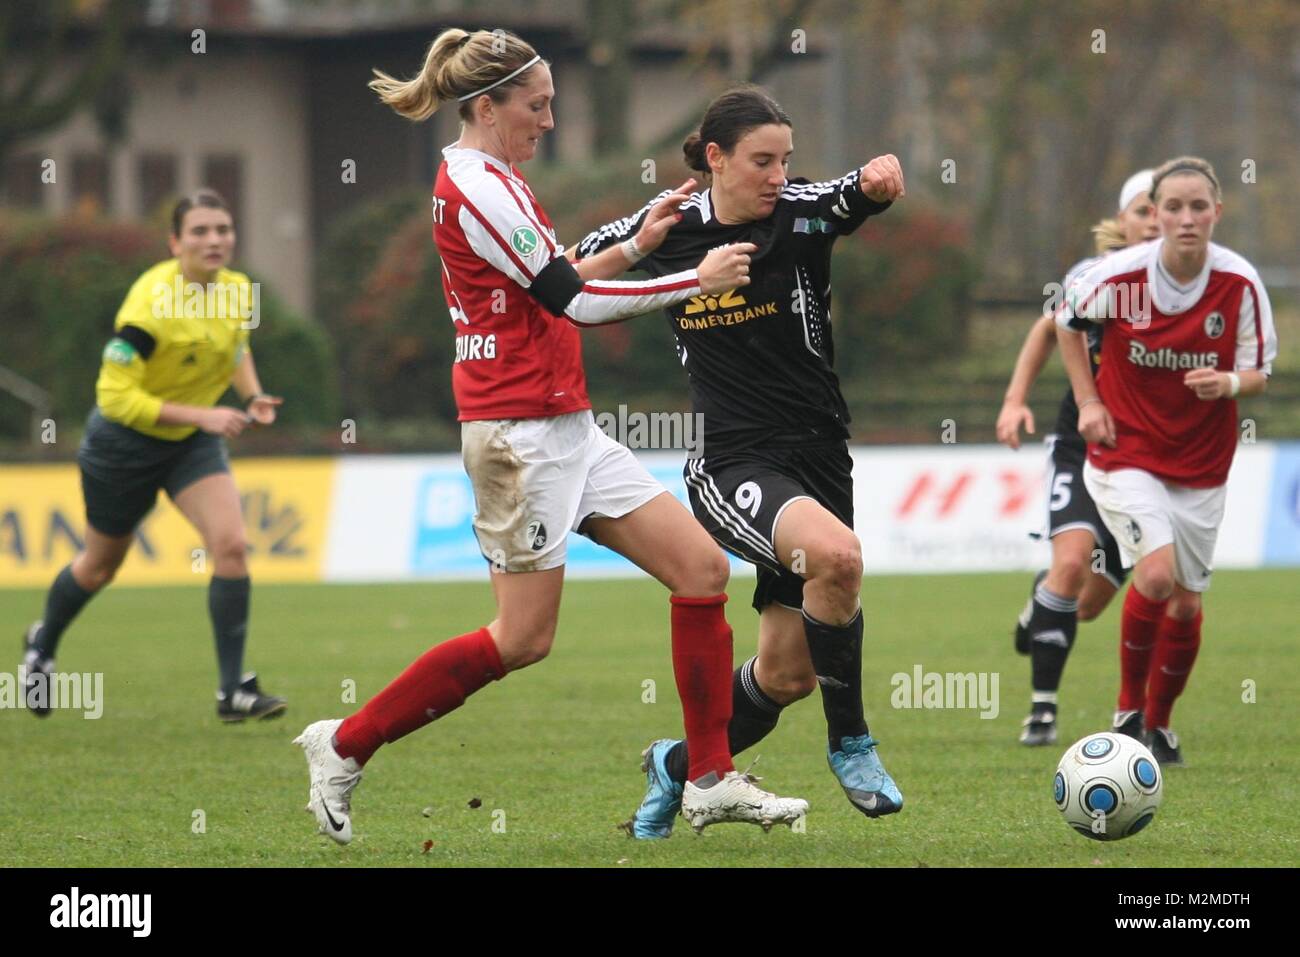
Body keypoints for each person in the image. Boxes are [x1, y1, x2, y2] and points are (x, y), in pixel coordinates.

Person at [294, 29, 808, 844]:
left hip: (563, 423)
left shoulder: (494, 175)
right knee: (524, 638)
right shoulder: (477, 188)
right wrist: (688, 278)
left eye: (552, 105)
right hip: (516, 439)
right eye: (537, 107)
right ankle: (345, 743)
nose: (549, 121)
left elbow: (550, 280)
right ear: (488, 106)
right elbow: (571, 301)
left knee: (702, 568)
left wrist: (639, 243)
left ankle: (708, 777)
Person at [574, 86, 906, 838]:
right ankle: (851, 741)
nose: (777, 175)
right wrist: (638, 249)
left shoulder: (799, 212)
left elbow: (854, 190)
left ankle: (676, 763)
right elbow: (563, 276)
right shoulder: (670, 224)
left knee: (784, 675)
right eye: (762, 160)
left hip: (821, 458)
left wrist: (881, 178)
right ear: (715, 158)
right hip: (735, 463)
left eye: (786, 159)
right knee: (839, 556)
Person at [20, 188, 287, 723]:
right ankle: (41, 646)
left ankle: (231, 690)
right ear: (174, 242)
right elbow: (114, 397)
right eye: (200, 232)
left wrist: (250, 394)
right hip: (123, 446)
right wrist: (202, 416)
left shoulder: (237, 290)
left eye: (223, 229)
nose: (214, 241)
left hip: (191, 445)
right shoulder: (149, 305)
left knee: (232, 546)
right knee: (99, 567)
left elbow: (235, 348)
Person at [1055, 156, 1277, 766]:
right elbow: (1065, 321)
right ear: (1153, 215)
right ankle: (1128, 713)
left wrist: (1228, 383)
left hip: (1203, 462)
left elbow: (1260, 372)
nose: (1185, 219)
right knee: (1154, 575)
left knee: (1185, 601)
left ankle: (1161, 722)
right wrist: (1088, 400)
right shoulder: (1120, 275)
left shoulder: (1239, 283)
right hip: (1126, 451)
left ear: (1216, 213)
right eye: (1171, 208)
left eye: (1197, 207)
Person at [996, 170, 1159, 746]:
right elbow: (1049, 328)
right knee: (1071, 566)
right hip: (1081, 447)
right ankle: (1042, 712)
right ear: (1123, 222)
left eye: (1165, 209)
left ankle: (1039, 606)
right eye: (1144, 210)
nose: (1157, 220)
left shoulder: (1192, 286)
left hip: (1145, 458)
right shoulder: (1095, 278)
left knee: (1086, 604)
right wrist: (1015, 401)